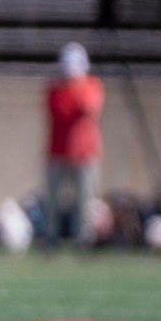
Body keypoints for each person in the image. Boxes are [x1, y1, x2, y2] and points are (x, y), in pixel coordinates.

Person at [44, 42, 103, 246]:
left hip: (85, 153)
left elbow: (87, 107)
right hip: (58, 152)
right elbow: (60, 110)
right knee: (52, 200)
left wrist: (76, 86)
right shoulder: (55, 87)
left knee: (84, 201)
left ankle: (83, 239)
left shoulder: (91, 84)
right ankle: (51, 237)